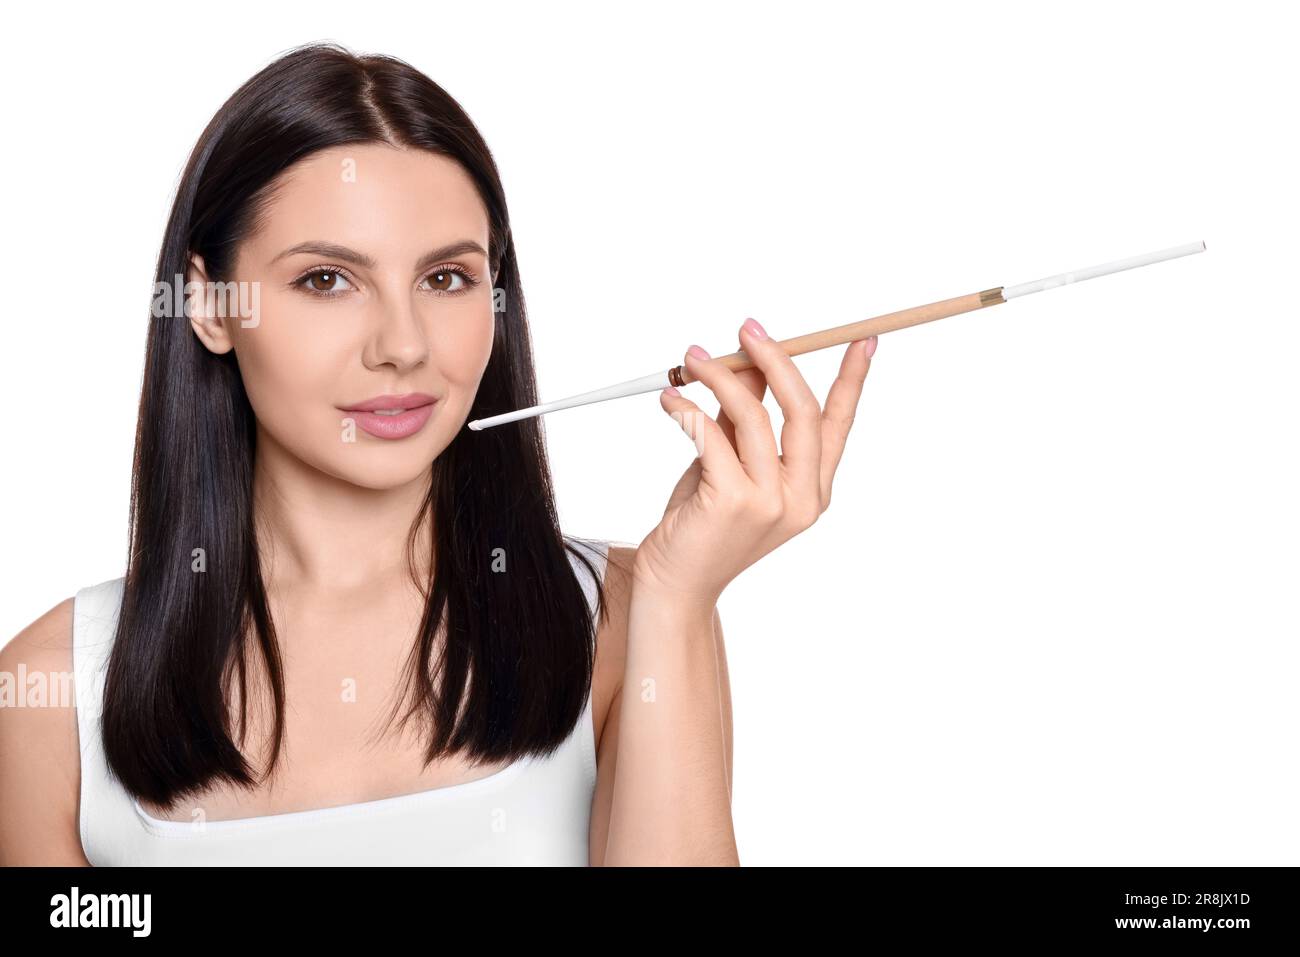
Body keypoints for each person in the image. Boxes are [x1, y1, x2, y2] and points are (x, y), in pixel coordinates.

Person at [0, 42, 877, 866]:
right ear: (208, 303)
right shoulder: (48, 690)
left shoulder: (624, 620)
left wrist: (679, 599)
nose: (404, 346)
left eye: (446, 278)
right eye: (327, 280)